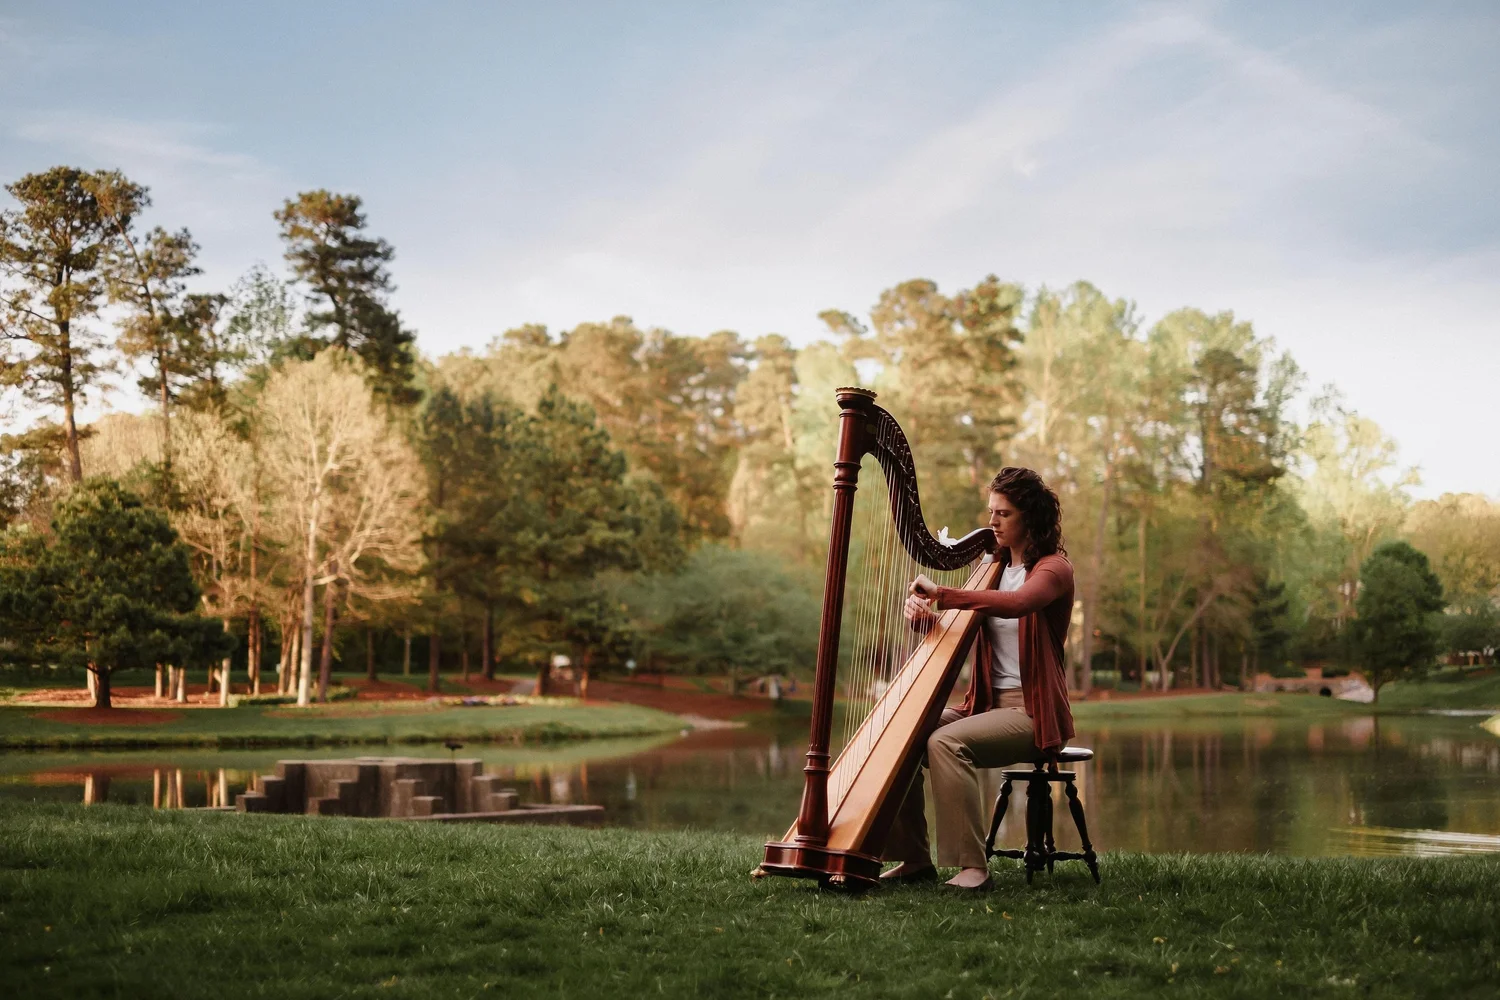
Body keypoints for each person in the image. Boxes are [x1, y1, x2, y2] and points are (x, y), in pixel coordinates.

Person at [881, 466, 1075, 890]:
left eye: (1003, 514)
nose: (992, 522)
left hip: (1031, 713)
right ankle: (915, 859)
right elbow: (958, 632)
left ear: (1030, 516)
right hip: (984, 708)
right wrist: (924, 619)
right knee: (901, 731)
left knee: (945, 741)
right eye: (991, 512)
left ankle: (973, 868)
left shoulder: (1053, 570)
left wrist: (944, 594)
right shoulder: (993, 569)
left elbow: (1019, 603)